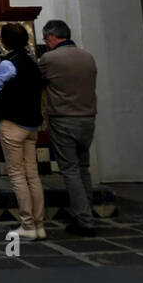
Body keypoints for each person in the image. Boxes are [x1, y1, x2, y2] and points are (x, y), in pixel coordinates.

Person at [0, 23, 45, 240]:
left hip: (13, 124)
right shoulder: (32, 63)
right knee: (33, 175)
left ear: (4, 42)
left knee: (18, 175)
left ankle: (28, 225)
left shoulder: (8, 64)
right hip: (32, 125)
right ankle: (39, 225)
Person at [38, 19, 98, 236]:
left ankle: (84, 220)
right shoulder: (87, 56)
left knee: (70, 171)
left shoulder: (50, 58)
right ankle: (87, 212)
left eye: (46, 39)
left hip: (64, 119)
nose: (46, 43)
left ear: (53, 37)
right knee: (83, 168)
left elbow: (38, 80)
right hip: (88, 118)